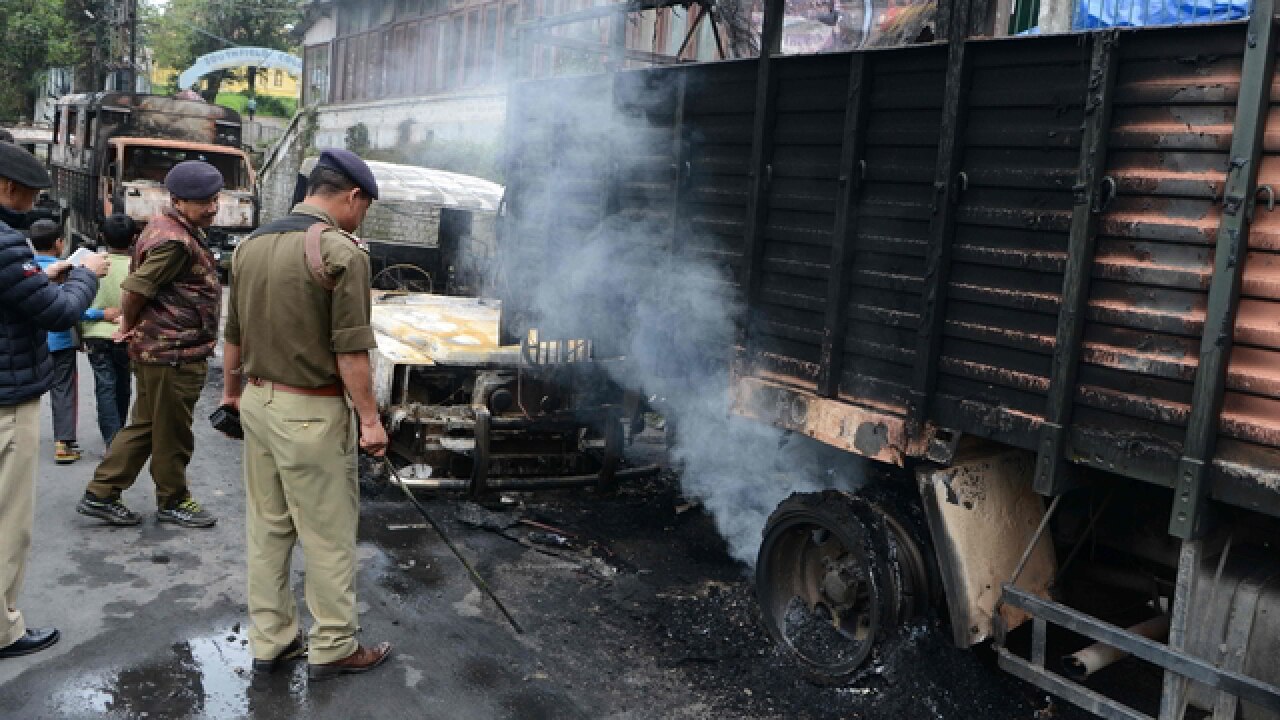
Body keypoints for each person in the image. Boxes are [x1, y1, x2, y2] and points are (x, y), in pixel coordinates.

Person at [221, 149, 392, 681]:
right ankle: (335, 645)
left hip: (257, 400)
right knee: (327, 533)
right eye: (363, 208)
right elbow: (351, 352)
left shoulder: (250, 245)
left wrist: (231, 394)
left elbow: (233, 334)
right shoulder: (343, 253)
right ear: (353, 196)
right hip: (312, 412)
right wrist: (370, 421)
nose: (360, 219)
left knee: (268, 529)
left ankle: (271, 640)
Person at [0, 141, 109, 658]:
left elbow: (16, 292)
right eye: (27, 193)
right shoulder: (7, 244)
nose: (30, 203)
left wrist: (45, 273)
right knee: (7, 524)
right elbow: (58, 313)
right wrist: (85, 273)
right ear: (5, 186)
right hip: (6, 400)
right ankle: (4, 630)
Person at [77, 161, 223, 529]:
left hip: (164, 350)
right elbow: (136, 288)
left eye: (214, 198)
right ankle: (173, 500)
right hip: (172, 352)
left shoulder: (168, 227)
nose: (213, 207)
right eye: (203, 201)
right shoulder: (174, 241)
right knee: (172, 431)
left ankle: (102, 492)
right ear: (178, 200)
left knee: (145, 426)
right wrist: (127, 323)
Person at [27, 219, 88, 463]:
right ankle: (63, 444)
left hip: (32, 343)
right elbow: (75, 308)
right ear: (59, 243)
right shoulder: (66, 270)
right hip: (61, 342)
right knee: (63, 389)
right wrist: (100, 315)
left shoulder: (26, 270)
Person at [81, 214, 136, 448]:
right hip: (126, 334)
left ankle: (112, 441)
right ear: (134, 238)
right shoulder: (138, 266)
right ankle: (120, 434)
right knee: (123, 385)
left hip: (95, 335)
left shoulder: (90, 265)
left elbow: (76, 302)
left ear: (102, 236)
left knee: (105, 386)